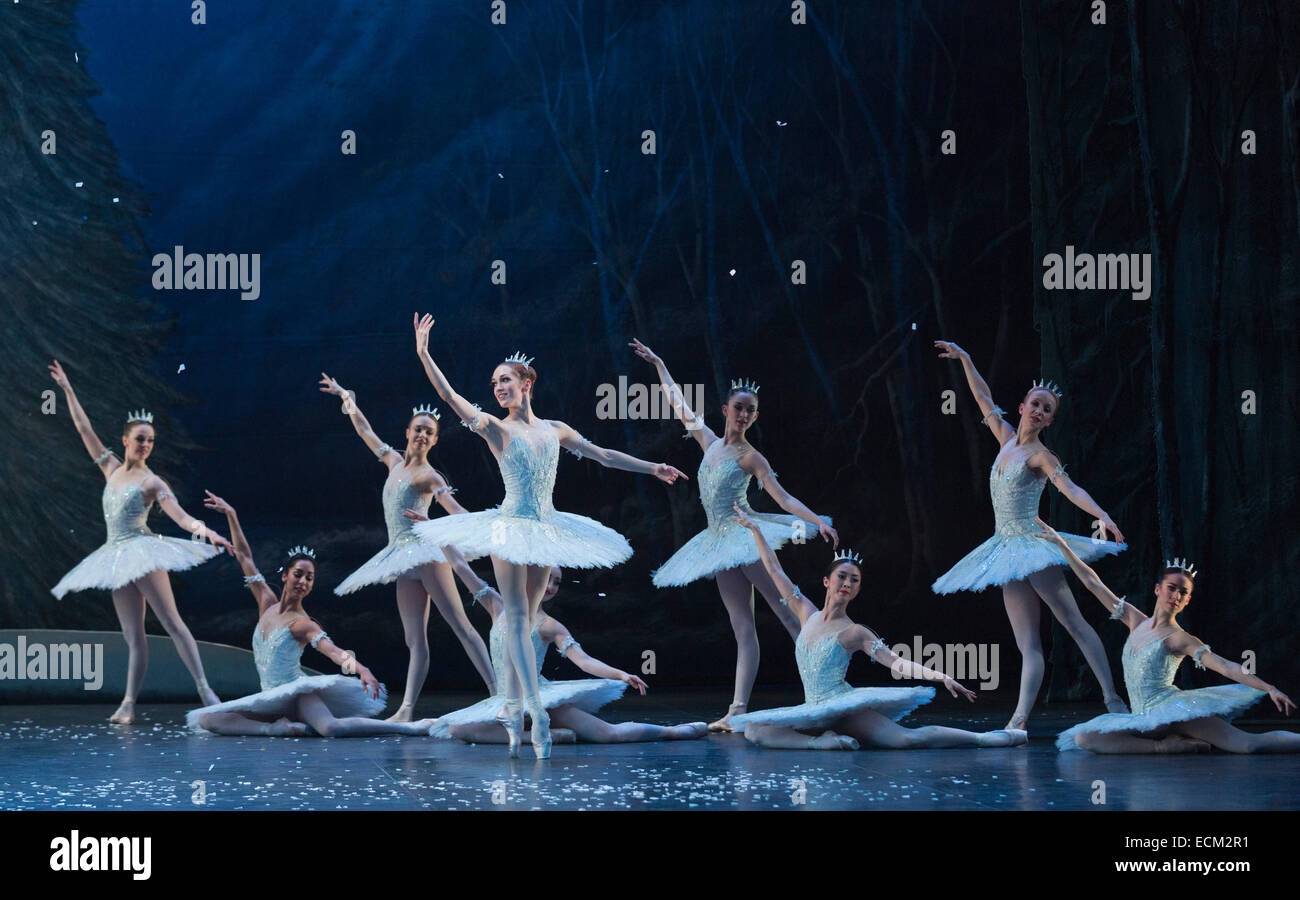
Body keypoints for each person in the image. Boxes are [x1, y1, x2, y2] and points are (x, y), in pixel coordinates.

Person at [409, 314, 686, 757]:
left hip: (545, 527)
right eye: (494, 383)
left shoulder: (554, 429)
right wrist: (424, 353)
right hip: (510, 524)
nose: (498, 388)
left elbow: (602, 455)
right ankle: (531, 707)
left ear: (526, 383)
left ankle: (523, 704)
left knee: (529, 614)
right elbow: (449, 396)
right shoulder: (497, 428)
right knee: (517, 615)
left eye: (505, 380)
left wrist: (652, 467)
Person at [630, 338, 836, 732]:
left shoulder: (750, 456)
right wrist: (658, 362)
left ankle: (822, 694)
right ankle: (738, 710)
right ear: (725, 410)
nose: (743, 415)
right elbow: (677, 403)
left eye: (750, 411)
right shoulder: (708, 442)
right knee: (742, 625)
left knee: (787, 612)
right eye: (738, 408)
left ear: (754, 418)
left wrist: (818, 521)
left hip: (746, 536)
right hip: (718, 543)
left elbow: (784, 496)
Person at [932, 340, 1128, 731]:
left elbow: (1070, 489)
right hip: (1005, 549)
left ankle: (1112, 697)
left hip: (1032, 546)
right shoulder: (1005, 439)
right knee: (1028, 644)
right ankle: (1019, 721)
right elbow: (983, 397)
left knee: (1073, 623)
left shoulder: (1042, 456)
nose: (1039, 411)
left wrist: (1103, 514)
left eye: (1047, 409)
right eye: (1035, 404)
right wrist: (967, 359)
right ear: (1022, 407)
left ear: (1049, 421)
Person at [728, 505, 1026, 750]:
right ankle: (820, 743)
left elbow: (896, 662)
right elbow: (774, 569)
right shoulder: (805, 612)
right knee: (753, 730)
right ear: (827, 582)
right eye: (842, 576)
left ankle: (986, 738)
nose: (847, 583)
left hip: (843, 708)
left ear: (858, 589)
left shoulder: (855, 632)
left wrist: (940, 675)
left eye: (854, 580)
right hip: (813, 711)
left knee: (907, 739)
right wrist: (755, 530)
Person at [48, 359, 233, 724]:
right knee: (134, 635)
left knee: (172, 622)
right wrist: (68, 390)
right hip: (115, 555)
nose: (146, 445)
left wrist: (207, 531)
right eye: (140, 439)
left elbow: (180, 516)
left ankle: (204, 688)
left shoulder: (153, 482)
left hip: (142, 551)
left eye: (150, 440)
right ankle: (129, 704)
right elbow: (83, 429)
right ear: (125, 440)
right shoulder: (111, 468)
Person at [1037, 519, 1300, 753]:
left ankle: (1174, 739)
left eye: (1183, 593)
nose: (1176, 596)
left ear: (1187, 601)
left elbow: (1224, 666)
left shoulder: (1178, 637)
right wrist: (1062, 544)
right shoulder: (1134, 619)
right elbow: (1093, 584)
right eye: (1172, 588)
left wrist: (1269, 688)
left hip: (1175, 713)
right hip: (1143, 719)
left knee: (1247, 744)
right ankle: (1165, 746)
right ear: (1157, 589)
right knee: (1084, 738)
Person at [319, 373, 494, 719]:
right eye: (418, 428)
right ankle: (407, 708)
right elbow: (365, 432)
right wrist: (346, 395)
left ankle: (498, 692)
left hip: (426, 555)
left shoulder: (431, 477)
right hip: (401, 557)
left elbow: (456, 512)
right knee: (414, 640)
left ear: (434, 440)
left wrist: (481, 527)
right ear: (408, 433)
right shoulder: (393, 463)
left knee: (461, 626)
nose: (422, 434)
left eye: (429, 431)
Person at [188, 492, 436, 737]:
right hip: (269, 700)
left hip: (297, 695)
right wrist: (231, 514)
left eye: (310, 578)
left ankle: (407, 727)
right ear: (285, 575)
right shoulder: (266, 602)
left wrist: (362, 670)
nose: (303, 582)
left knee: (330, 728)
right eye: (298, 574)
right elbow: (243, 556)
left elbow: (334, 652)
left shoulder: (302, 624)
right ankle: (274, 729)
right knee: (209, 719)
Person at [425, 545, 708, 745]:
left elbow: (583, 661)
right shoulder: (497, 607)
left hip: (541, 698)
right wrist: (433, 531)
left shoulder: (549, 625)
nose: (550, 586)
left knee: (606, 734)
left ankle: (672, 732)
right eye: (547, 579)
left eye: (556, 582)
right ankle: (542, 736)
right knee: (457, 728)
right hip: (506, 700)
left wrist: (621, 674)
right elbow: (461, 568)